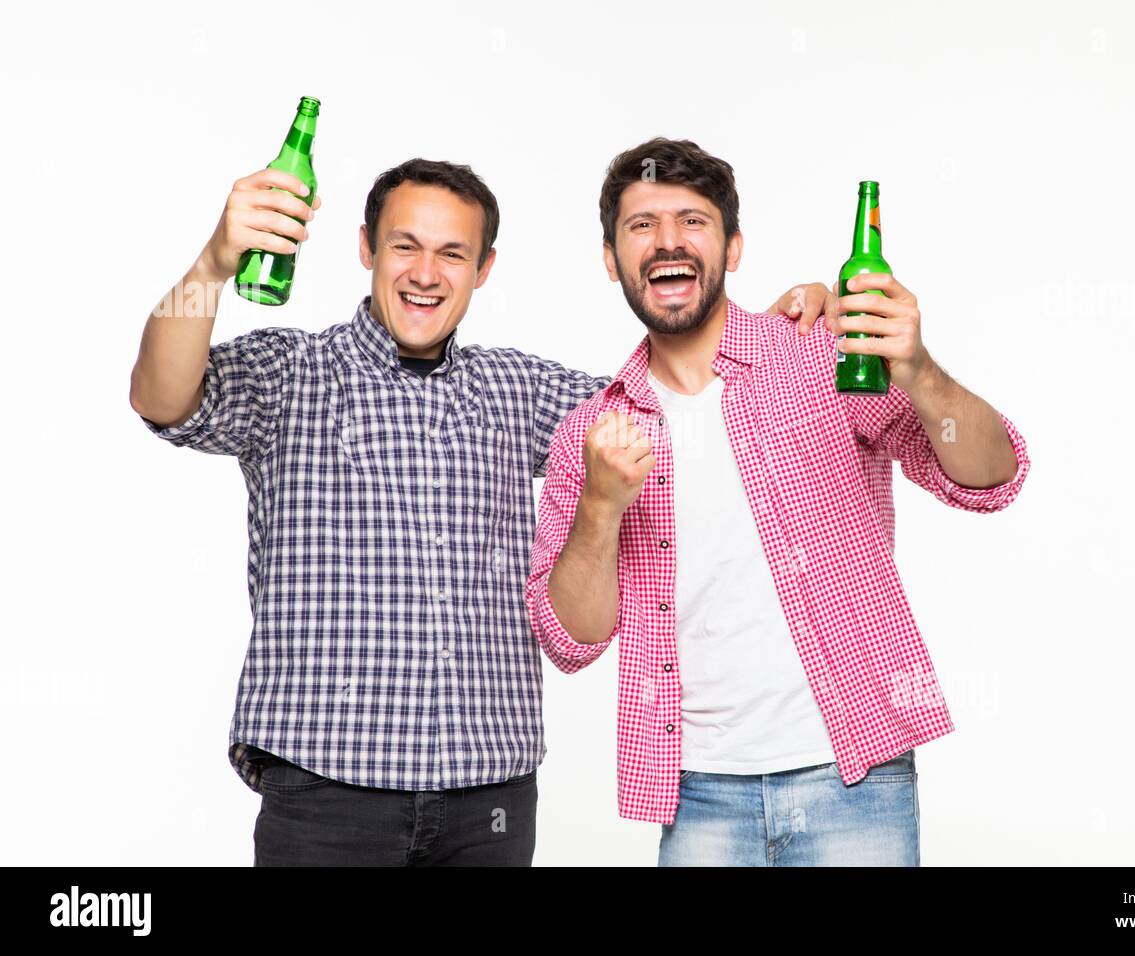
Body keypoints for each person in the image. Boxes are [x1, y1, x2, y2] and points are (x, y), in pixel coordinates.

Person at [129, 156, 824, 866]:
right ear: (366, 247)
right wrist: (217, 261)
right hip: (325, 790)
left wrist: (760, 337)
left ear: (483, 267)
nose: (426, 273)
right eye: (406, 246)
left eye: (452, 253)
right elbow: (162, 396)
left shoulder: (514, 388)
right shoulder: (293, 372)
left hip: (487, 795)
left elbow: (665, 409)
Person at [526, 138, 1032, 866]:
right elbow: (569, 641)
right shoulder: (592, 431)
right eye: (642, 226)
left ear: (733, 248)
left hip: (854, 775)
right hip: (698, 793)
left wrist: (918, 368)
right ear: (611, 260)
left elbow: (994, 479)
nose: (668, 241)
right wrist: (602, 506)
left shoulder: (822, 354)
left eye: (692, 222)